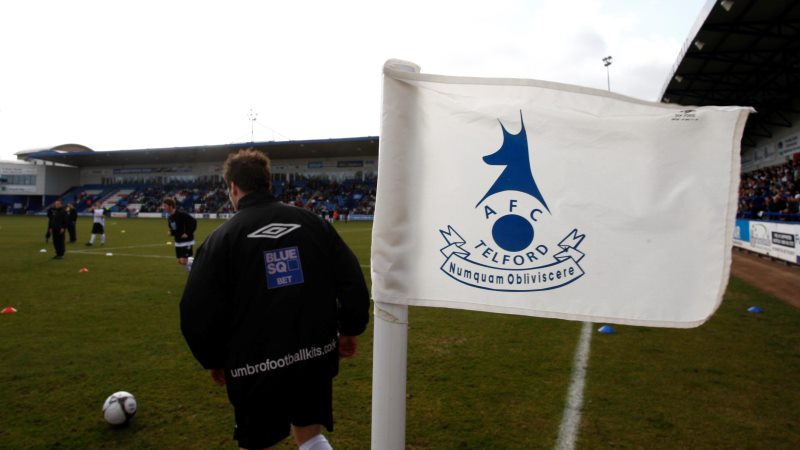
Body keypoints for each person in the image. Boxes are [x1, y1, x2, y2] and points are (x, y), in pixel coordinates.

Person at [180, 149, 370, 450]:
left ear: (233, 187)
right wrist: (350, 328)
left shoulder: (221, 239)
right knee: (310, 434)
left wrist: (213, 359)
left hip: (254, 367)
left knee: (258, 442)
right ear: (269, 182)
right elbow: (351, 280)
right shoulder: (314, 224)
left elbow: (195, 311)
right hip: (314, 354)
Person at [161, 197, 197, 268]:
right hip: (178, 242)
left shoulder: (181, 214)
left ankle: (200, 264)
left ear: (171, 206)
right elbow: (174, 229)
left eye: (165, 206)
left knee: (184, 261)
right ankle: (195, 271)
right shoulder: (170, 217)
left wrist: (187, 233)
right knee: (181, 262)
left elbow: (193, 222)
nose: (163, 208)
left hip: (187, 241)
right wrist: (171, 232)